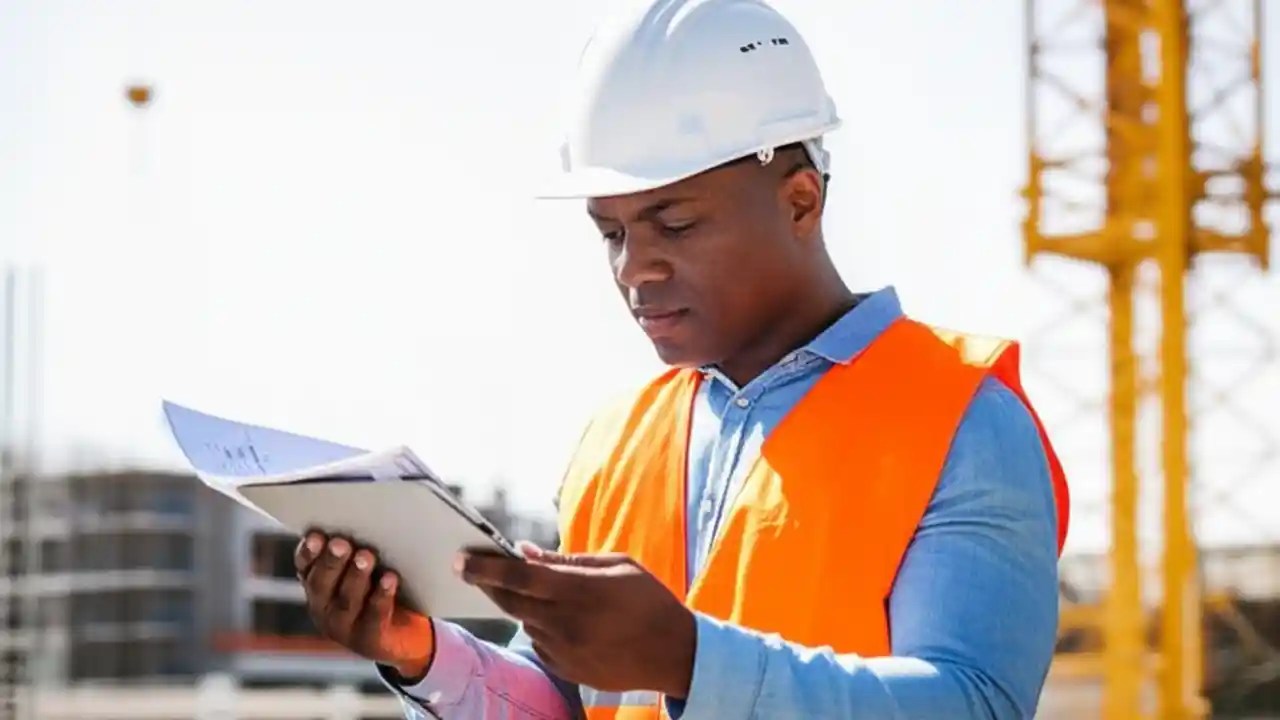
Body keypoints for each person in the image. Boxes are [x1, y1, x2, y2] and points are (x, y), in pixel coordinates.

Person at [292, 0, 1071, 717]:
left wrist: (691, 660)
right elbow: (559, 703)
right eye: (612, 232)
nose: (635, 267)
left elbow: (975, 703)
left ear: (800, 201)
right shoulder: (616, 441)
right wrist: (425, 658)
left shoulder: (959, 416)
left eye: (675, 224)